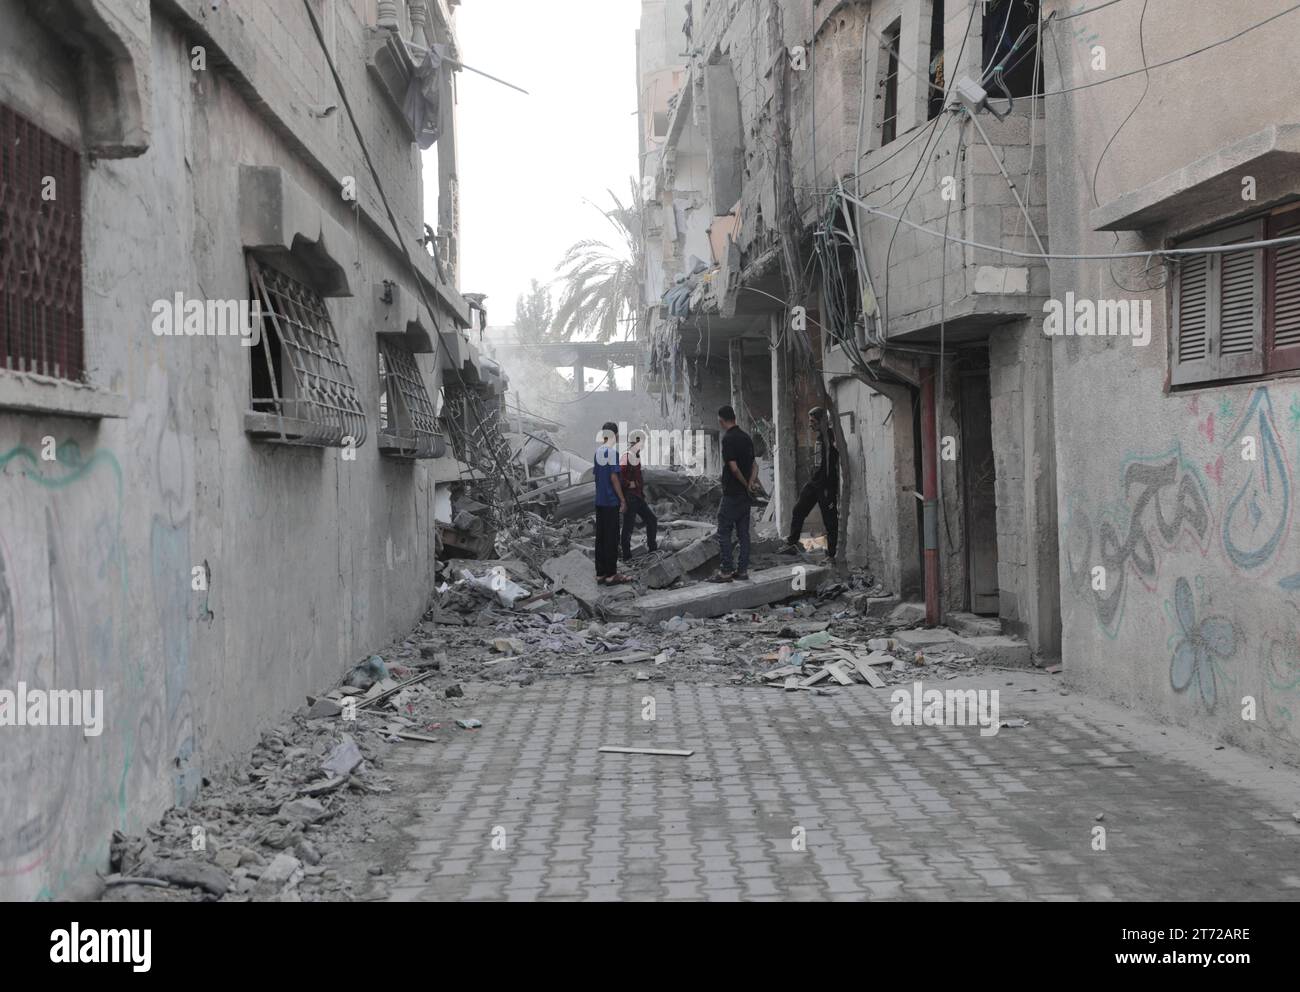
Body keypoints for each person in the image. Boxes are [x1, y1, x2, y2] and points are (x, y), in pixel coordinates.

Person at [780, 406, 839, 561]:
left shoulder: (831, 438)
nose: (810, 424)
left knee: (830, 521)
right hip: (815, 483)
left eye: (813, 421)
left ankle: (832, 555)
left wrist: (828, 486)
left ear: (822, 422)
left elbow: (833, 463)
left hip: (826, 486)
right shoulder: (820, 437)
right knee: (798, 509)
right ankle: (792, 543)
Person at [711, 405, 758, 582]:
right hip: (745, 496)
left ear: (721, 420)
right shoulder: (746, 437)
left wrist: (746, 484)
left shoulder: (728, 439)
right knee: (743, 533)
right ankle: (743, 571)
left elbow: (734, 468)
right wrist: (751, 483)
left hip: (732, 493)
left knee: (723, 530)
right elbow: (754, 465)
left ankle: (726, 571)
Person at [593, 422, 631, 585]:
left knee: (600, 537)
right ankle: (611, 574)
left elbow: (597, 477)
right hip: (610, 502)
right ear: (614, 435)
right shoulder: (612, 453)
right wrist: (622, 500)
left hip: (600, 501)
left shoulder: (597, 452)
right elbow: (614, 478)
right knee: (612, 537)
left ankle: (600, 573)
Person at [620, 431, 658, 560]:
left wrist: (640, 491)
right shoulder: (627, 456)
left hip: (637, 497)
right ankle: (626, 557)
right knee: (628, 528)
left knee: (652, 520)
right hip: (630, 497)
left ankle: (653, 549)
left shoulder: (636, 455)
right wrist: (628, 484)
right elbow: (618, 476)